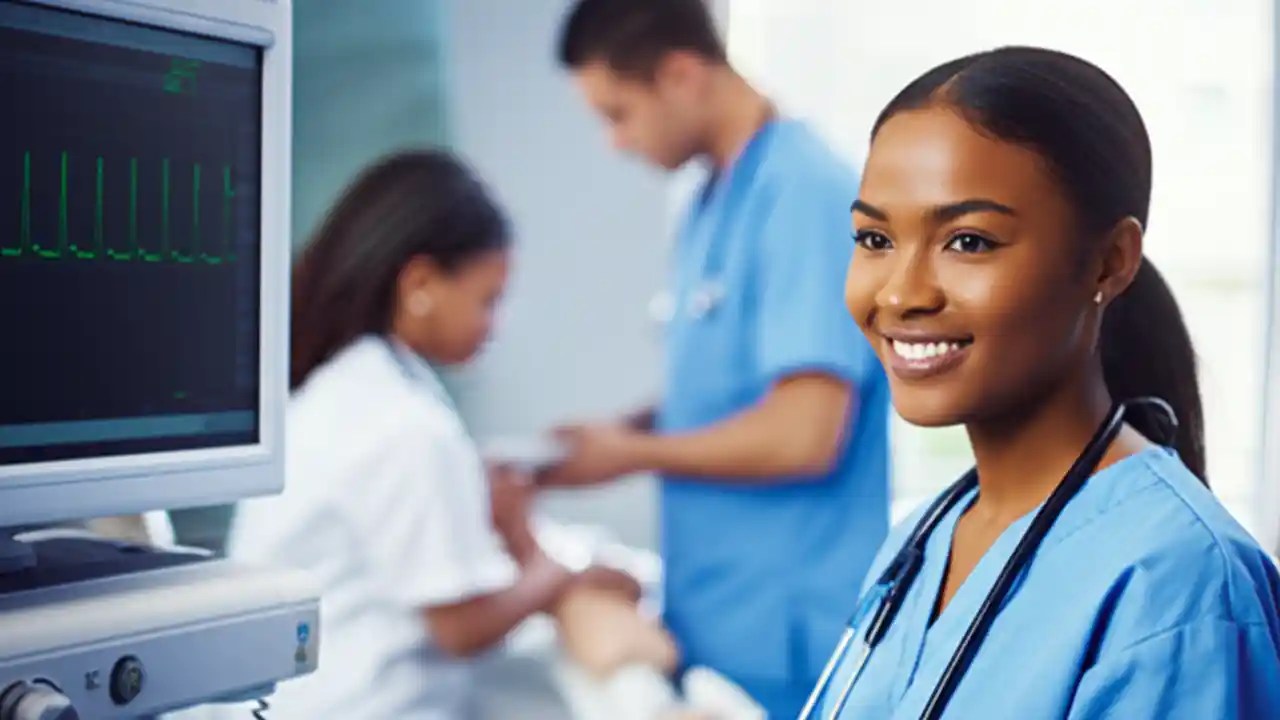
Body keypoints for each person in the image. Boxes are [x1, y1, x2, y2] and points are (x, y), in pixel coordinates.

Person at [809, 47, 1280, 719]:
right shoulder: (925, 537)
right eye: (875, 239)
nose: (901, 294)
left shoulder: (1179, 582)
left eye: (969, 241)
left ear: (1110, 262)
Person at [223, 150, 657, 719]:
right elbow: (460, 629)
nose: (495, 325)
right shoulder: (402, 424)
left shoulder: (353, 386)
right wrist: (554, 572)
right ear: (421, 282)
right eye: (487, 300)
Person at [548, 1, 891, 715]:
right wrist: (624, 430)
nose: (615, 143)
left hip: (787, 634)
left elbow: (804, 433)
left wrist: (630, 453)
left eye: (619, 114)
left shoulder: (804, 191)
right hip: (716, 624)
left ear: (680, 75)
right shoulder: (711, 199)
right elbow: (727, 387)